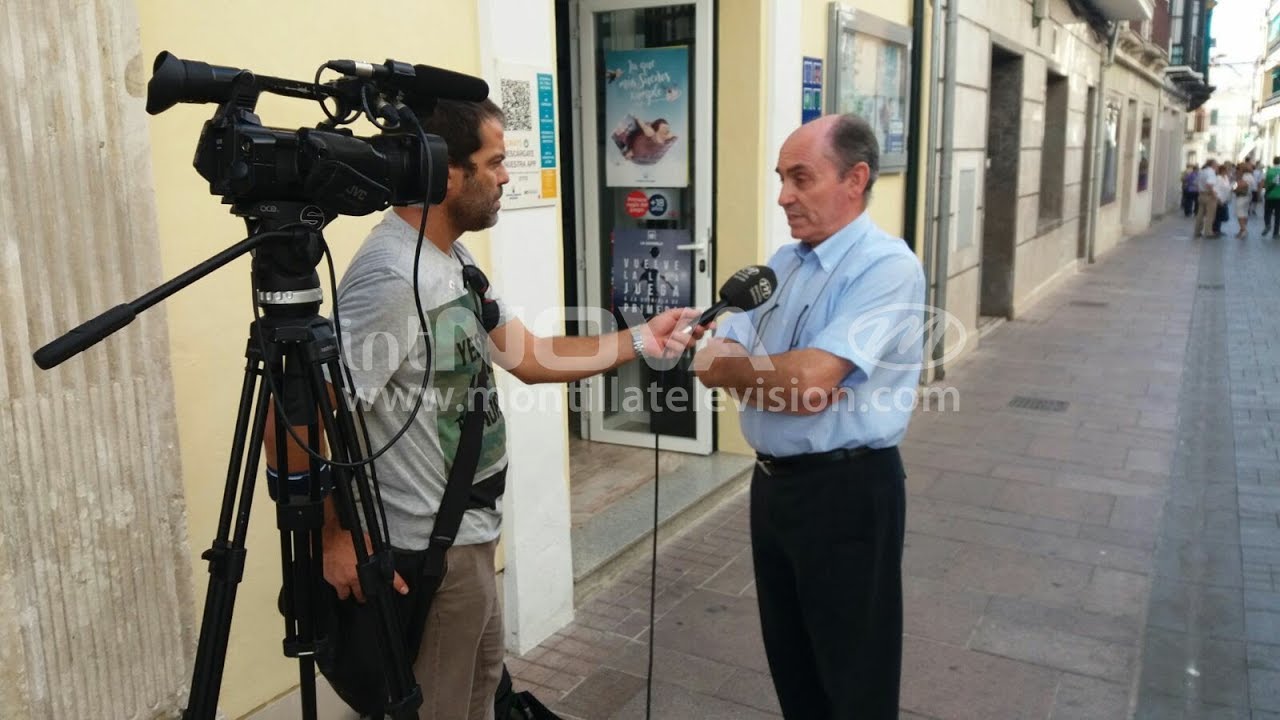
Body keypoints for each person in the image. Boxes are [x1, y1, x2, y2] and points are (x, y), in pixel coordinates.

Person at [267, 99, 705, 720]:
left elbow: (529, 355)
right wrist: (332, 536)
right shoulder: (391, 275)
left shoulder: (455, 262)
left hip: (468, 541)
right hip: (426, 554)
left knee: (478, 705)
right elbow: (300, 408)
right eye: (494, 162)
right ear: (446, 171)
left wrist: (641, 340)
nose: (506, 177)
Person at [693, 114, 925, 720]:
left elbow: (807, 382)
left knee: (854, 679)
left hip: (847, 492)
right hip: (773, 487)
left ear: (856, 179)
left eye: (800, 178)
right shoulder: (783, 263)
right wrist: (774, 376)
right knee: (793, 667)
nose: (783, 196)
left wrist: (753, 373)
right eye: (780, 178)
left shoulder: (886, 267)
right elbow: (724, 355)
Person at [1194, 159, 1219, 238]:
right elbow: (1209, 184)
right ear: (1213, 165)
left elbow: (1196, 182)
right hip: (1209, 195)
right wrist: (1213, 194)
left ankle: (1197, 231)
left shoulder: (1202, 171)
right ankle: (1208, 232)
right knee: (1210, 215)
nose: (1217, 166)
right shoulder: (1211, 172)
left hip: (1201, 194)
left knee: (1200, 214)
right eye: (1216, 164)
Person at [1234, 161, 1255, 238]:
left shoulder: (1244, 176)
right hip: (1248, 196)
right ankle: (1242, 230)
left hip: (1242, 196)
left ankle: (1243, 229)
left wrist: (1234, 186)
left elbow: (1240, 184)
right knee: (1245, 213)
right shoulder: (1250, 176)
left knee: (1240, 213)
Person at [1213, 163, 1233, 238]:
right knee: (1218, 215)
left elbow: (1228, 187)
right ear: (1222, 171)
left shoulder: (1226, 178)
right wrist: (1218, 199)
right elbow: (1216, 189)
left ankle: (1218, 229)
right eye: (1227, 170)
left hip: (1225, 199)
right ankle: (1215, 230)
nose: (1228, 172)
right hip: (1219, 198)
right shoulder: (1218, 178)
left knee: (1221, 215)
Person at [1265, 156, 1280, 238]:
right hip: (1279, 197)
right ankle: (1275, 233)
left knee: (1267, 212)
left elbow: (1266, 183)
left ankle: (1267, 224)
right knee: (1278, 215)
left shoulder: (1269, 171)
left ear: (1273, 162)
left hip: (1270, 195)